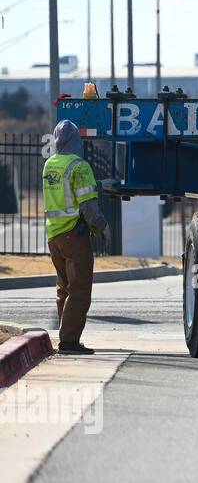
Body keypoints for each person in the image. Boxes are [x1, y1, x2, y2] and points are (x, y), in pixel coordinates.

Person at [42, 120, 110, 354]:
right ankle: (69, 341)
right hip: (73, 235)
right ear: (76, 141)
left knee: (64, 289)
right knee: (80, 290)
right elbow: (88, 206)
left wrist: (97, 184)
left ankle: (66, 336)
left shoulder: (50, 164)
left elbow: (66, 192)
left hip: (54, 235)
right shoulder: (79, 166)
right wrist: (103, 226)